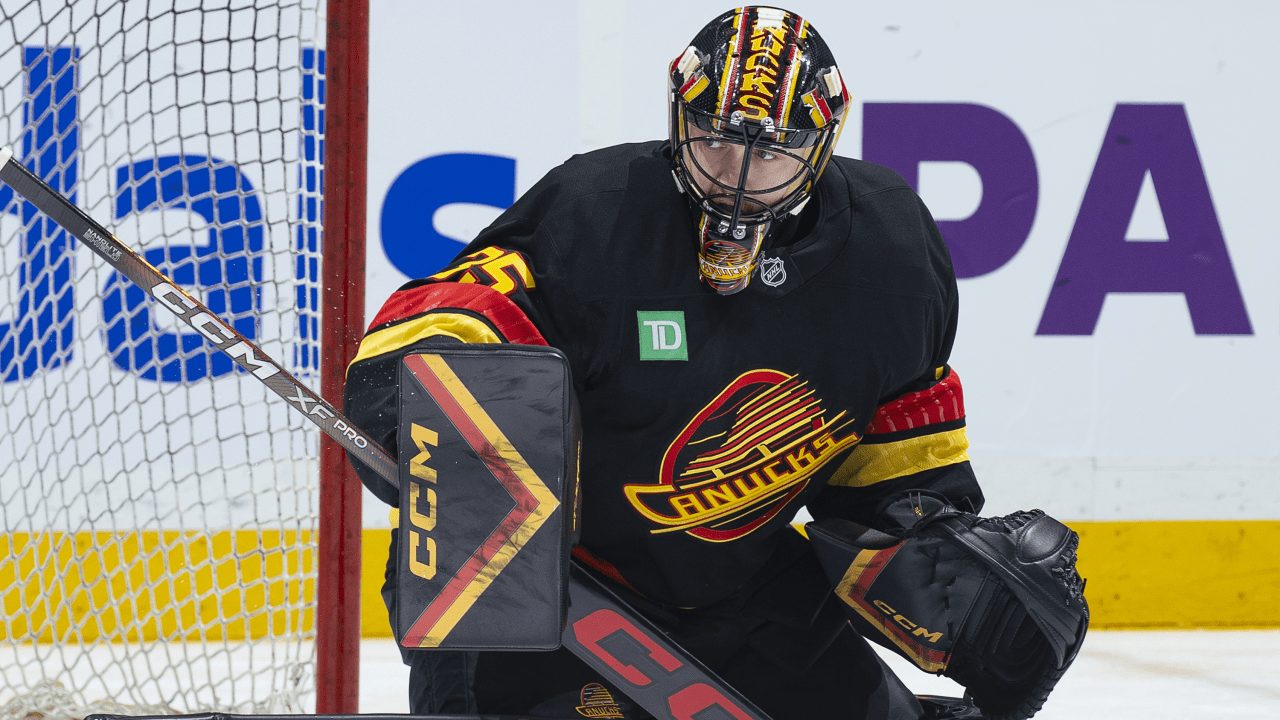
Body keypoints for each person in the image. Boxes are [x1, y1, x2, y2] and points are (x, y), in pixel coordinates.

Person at [345, 7, 1083, 719]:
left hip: (744, 586)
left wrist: (926, 541)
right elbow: (460, 312)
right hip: (531, 583)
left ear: (821, 144)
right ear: (680, 117)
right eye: (715, 138)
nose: (736, 174)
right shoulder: (599, 211)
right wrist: (420, 400)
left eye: (771, 151)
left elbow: (892, 442)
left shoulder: (890, 254)